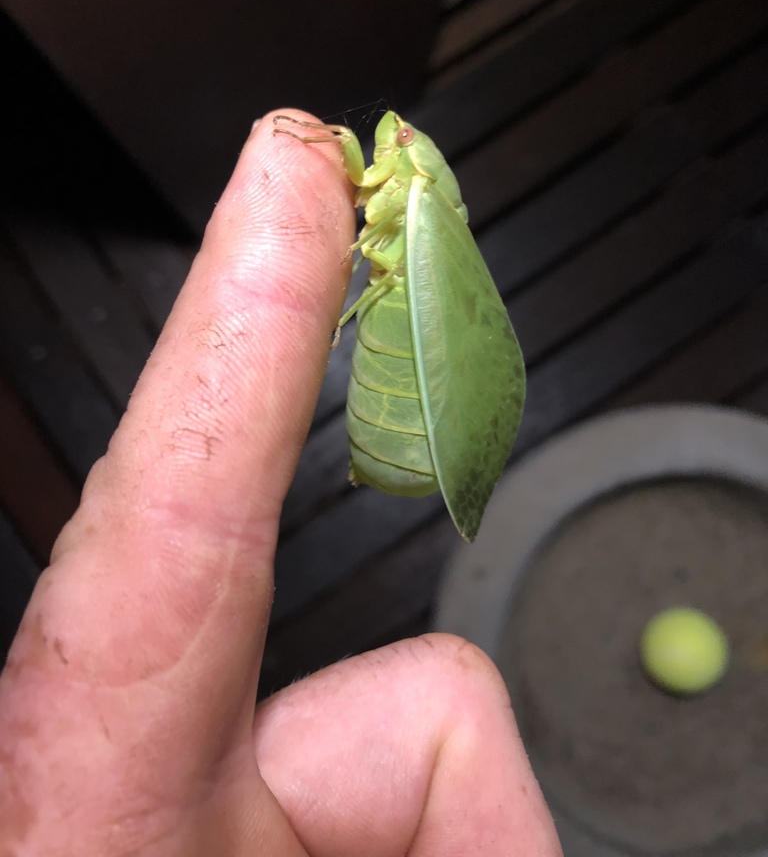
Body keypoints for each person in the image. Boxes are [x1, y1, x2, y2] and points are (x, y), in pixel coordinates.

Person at [0, 111, 561, 856]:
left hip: (407, 362)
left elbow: (362, 195)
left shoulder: (412, 196)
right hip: (407, 327)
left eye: (393, 144)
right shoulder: (413, 197)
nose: (386, 140)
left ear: (408, 168)